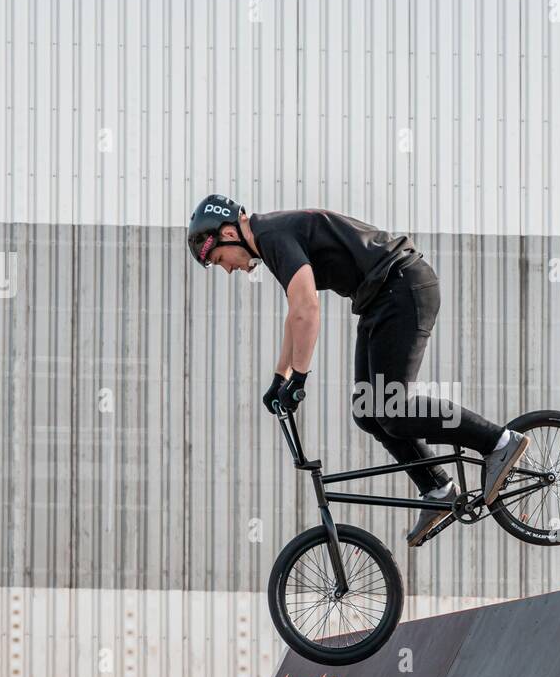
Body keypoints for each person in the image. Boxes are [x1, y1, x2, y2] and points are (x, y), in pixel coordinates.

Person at [188, 193, 529, 547]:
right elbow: (295, 316)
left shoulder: (272, 235)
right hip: (380, 298)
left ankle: (499, 442)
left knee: (392, 407)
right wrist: (281, 378)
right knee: (368, 412)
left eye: (218, 259)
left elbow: (307, 308)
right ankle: (438, 488)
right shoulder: (271, 237)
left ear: (228, 235)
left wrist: (300, 377)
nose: (228, 268)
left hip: (401, 287)